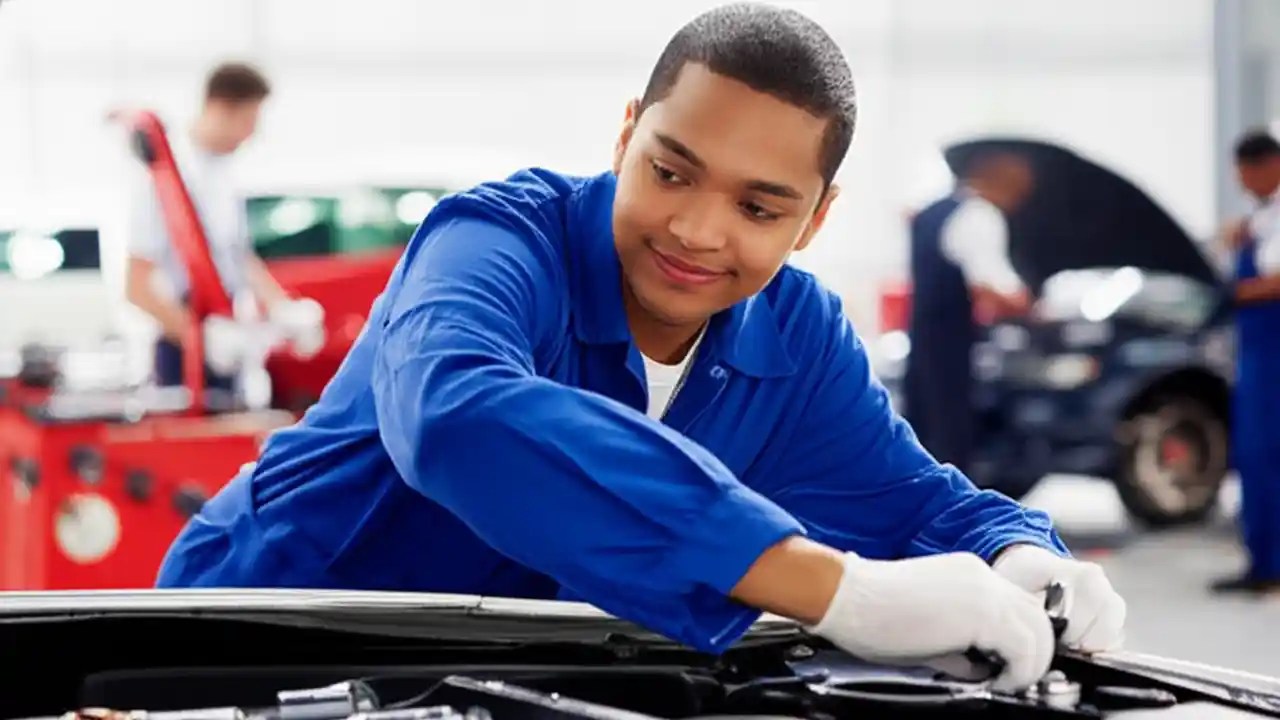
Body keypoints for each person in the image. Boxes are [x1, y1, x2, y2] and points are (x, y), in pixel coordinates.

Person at [155, 3, 1125, 692]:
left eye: (757, 206)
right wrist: (831, 588)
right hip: (256, 661)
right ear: (626, 134)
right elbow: (455, 419)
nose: (698, 231)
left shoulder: (794, 334)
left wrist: (1017, 559)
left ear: (814, 220)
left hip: (492, 686)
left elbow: (905, 502)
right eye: (671, 171)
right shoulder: (495, 243)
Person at [122, 61, 322, 395]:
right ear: (220, 108)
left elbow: (238, 256)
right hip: (180, 354)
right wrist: (198, 340)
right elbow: (137, 287)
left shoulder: (223, 175)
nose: (252, 133)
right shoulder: (163, 176)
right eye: (249, 120)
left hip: (225, 339)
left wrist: (282, 308)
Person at [903, 152, 1033, 477]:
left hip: (921, 331)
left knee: (920, 425)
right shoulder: (980, 216)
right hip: (952, 338)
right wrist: (1028, 306)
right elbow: (987, 288)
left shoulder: (931, 212)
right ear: (1004, 184)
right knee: (951, 430)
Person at [1212, 128, 1280, 594]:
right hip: (1255, 353)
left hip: (1274, 352)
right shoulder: (1259, 218)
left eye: (1247, 171)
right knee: (1253, 458)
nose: (1243, 181)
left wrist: (1232, 293)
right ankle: (1262, 561)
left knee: (1269, 455)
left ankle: (1274, 565)